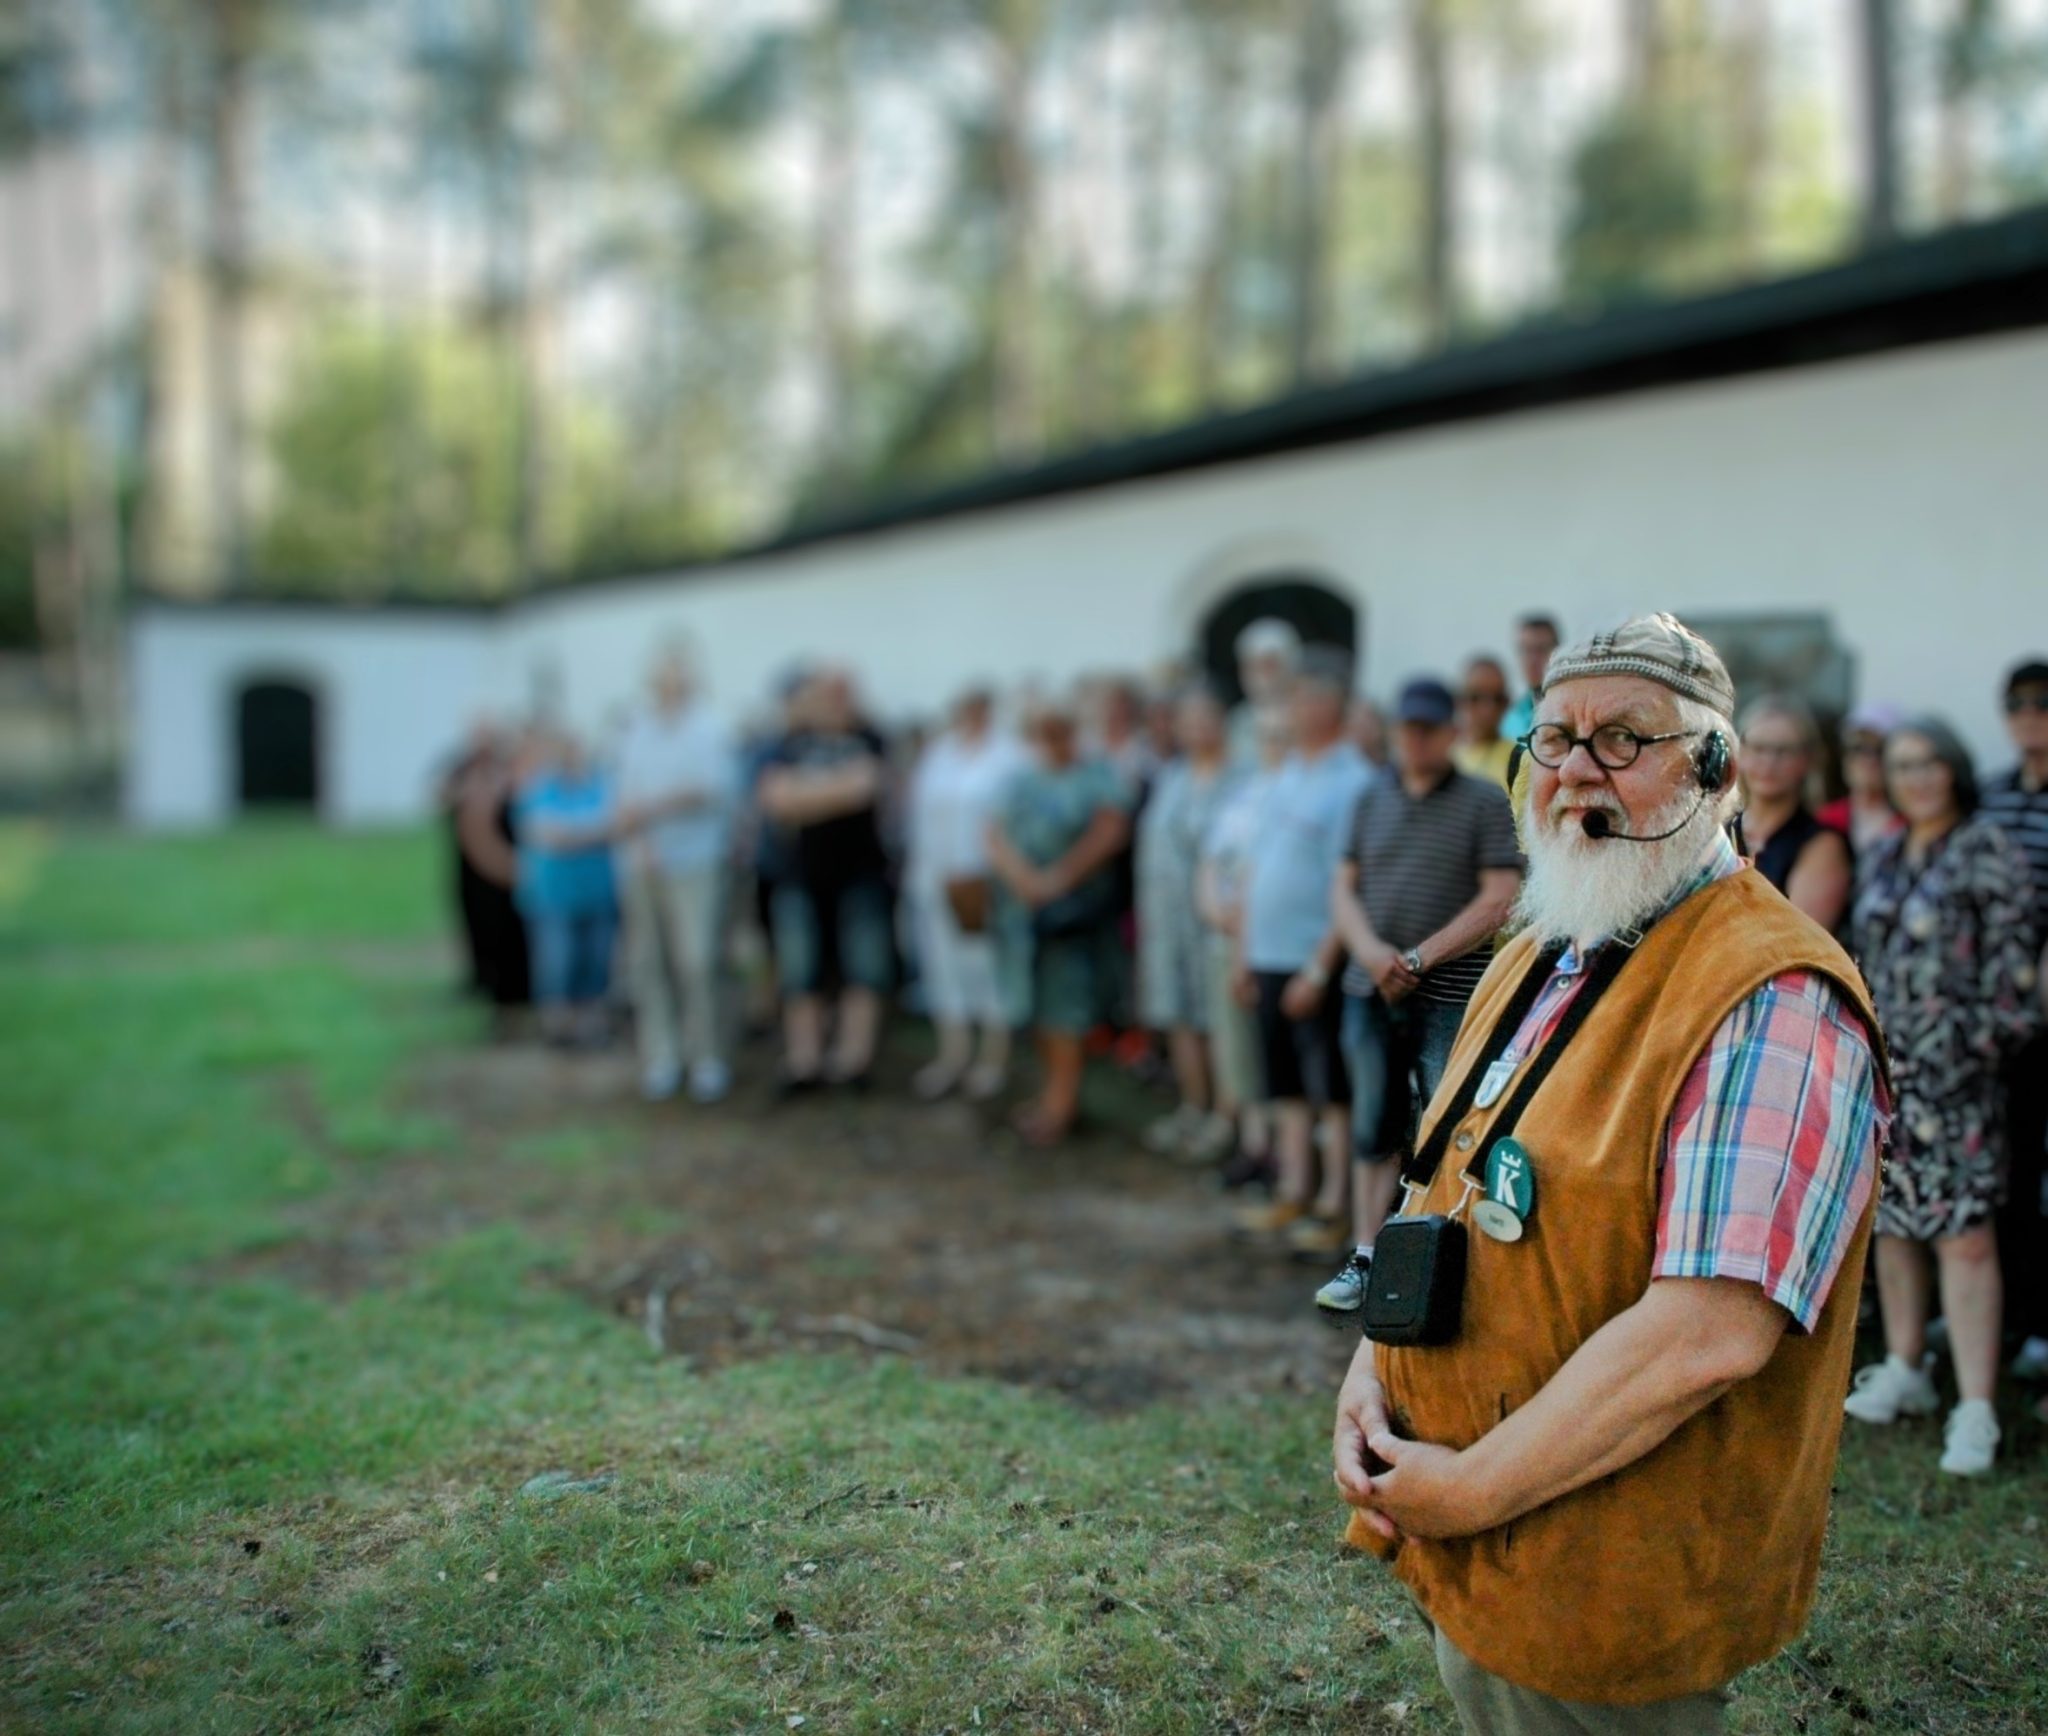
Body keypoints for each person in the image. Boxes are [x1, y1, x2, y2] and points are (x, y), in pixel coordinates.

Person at [1333, 614, 1888, 1730]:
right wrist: (1370, 1369)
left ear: (1716, 771)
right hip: (1478, 1527)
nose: (1577, 768)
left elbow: (1706, 1332)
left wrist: (1470, 1488)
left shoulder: (1770, 994)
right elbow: (1444, 1181)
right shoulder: (1544, 947)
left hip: (1613, 1568)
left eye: (1624, 738)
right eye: (1554, 738)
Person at [1846, 717, 2039, 1474]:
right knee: (1893, 1223)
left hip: (1959, 1081)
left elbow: (2016, 970)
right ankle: (1905, 1366)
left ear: (1953, 769)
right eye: (1902, 764)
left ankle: (1976, 1406)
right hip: (1887, 1074)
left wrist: (1976, 1049)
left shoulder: (1987, 849)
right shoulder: (1887, 852)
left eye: (1929, 762)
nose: (1917, 777)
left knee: (1965, 1236)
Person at [1315, 677, 1523, 1306]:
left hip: (1451, 993)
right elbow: (1343, 887)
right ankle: (1366, 1257)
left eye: (1430, 729)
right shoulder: (1369, 796)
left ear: (1451, 733)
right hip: (1370, 989)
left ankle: (1439, 1262)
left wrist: (1418, 958)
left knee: (1447, 1123)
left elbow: (1501, 897)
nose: (1418, 740)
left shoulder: (1483, 801)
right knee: (1375, 1122)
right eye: (1409, 728)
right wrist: (1371, 954)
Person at [1232, 647, 1376, 1243]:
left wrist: (1319, 968)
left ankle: (1333, 1203)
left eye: (1297, 698)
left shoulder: (1355, 781)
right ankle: (1293, 1190)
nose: (1288, 709)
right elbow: (1254, 868)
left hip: (1315, 960)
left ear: (1326, 705)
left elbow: (1351, 883)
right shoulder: (1283, 774)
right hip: (1267, 955)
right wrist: (1243, 954)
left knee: (1331, 1089)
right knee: (1285, 1084)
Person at [987, 693, 1135, 1144]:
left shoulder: (1097, 776)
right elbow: (993, 833)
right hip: (1023, 917)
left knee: (1065, 1010)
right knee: (1034, 1008)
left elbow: (1109, 830)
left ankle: (1062, 1103)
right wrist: (1023, 879)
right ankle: (1049, 1091)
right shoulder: (1022, 779)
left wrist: (1057, 879)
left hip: (1073, 917)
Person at [612, 645, 741, 1103]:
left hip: (697, 861)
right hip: (645, 863)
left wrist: (651, 810)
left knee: (698, 959)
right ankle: (662, 1056)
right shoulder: (637, 729)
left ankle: (707, 1054)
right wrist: (641, 843)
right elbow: (626, 796)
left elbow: (709, 789)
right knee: (649, 962)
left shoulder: (709, 728)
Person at [758, 668, 895, 1092]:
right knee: (800, 972)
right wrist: (838, 790)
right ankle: (805, 1062)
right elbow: (776, 800)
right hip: (801, 876)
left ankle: (853, 1061)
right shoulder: (789, 743)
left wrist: (806, 794)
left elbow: (866, 786)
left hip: (861, 874)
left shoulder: (871, 738)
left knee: (863, 969)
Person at [904, 686, 1027, 1101]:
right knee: (943, 966)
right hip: (934, 876)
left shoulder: (1009, 755)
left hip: (982, 879)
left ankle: (993, 1056)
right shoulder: (940, 753)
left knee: (986, 966)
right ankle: (953, 1052)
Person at [1137, 682, 1241, 1163]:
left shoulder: (1241, 778)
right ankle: (1192, 1105)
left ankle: (1226, 1114)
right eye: (1187, 719)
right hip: (1168, 918)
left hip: (1217, 920)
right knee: (1179, 1013)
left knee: (1219, 1018)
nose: (1196, 728)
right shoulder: (1172, 776)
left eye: (1205, 718)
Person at [1982, 659, 2048, 1389]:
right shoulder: (1991, 797)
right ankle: (2013, 1315)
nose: (2031, 713)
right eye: (2019, 702)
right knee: (2009, 1169)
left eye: (2043, 702)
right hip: (1999, 1018)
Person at [1197, 703, 1292, 1189]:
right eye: (1265, 735)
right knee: (1236, 1047)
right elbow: (1211, 861)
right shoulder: (1243, 794)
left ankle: (1280, 1153)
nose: (1271, 745)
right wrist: (1215, 911)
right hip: (1228, 936)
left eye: (1280, 735)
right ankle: (1253, 1144)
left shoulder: (1294, 795)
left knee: (1273, 1050)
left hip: (1273, 943)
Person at [515, 730, 619, 1048]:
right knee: (557, 962)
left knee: (596, 960)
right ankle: (557, 1025)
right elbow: (545, 834)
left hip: (598, 892)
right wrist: (594, 830)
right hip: (553, 896)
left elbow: (617, 824)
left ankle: (589, 1024)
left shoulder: (603, 785)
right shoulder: (538, 789)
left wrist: (574, 833)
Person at [1736, 694, 1853, 932]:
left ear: (1807, 760)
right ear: (1741, 753)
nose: (1769, 762)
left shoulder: (1823, 844)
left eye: (1783, 751)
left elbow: (1798, 938)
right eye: (1759, 748)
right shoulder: (1720, 829)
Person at [1816, 701, 1906, 854]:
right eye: (1858, 748)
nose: (1868, 760)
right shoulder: (1826, 818)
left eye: (1879, 750)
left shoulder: (1910, 823)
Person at [1228, 618, 1300, 766]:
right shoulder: (1237, 719)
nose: (1260, 675)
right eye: (1251, 666)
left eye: (1268, 665)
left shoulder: (1305, 715)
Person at [1451, 655, 1515, 788]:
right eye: (1475, 697)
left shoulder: (1519, 760)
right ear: (1459, 700)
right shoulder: (1442, 756)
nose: (1487, 709)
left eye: (1497, 699)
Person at [1500, 613, 1560, 743]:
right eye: (1526, 650)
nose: (1532, 660)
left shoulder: (1572, 709)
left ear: (1558, 652)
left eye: (1541, 650)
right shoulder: (1509, 718)